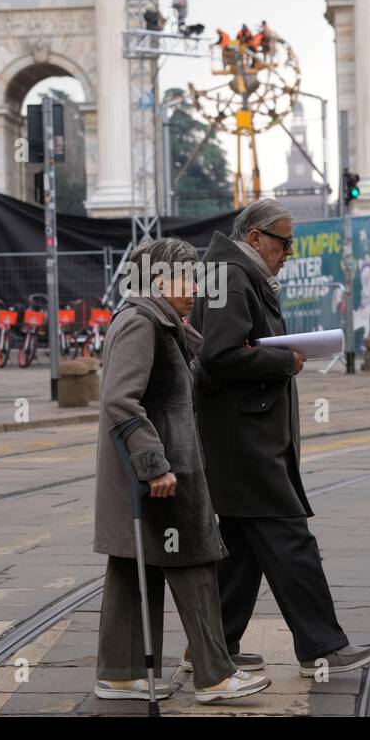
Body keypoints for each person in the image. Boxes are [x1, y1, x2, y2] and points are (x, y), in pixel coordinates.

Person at [191, 200, 370, 677]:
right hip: (245, 440)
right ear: (254, 237)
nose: (289, 252)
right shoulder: (232, 276)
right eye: (283, 241)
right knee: (289, 537)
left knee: (244, 547)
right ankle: (323, 645)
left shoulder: (237, 272)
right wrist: (285, 360)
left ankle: (212, 647)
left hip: (245, 433)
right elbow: (221, 354)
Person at [94, 237, 272, 704]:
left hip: (155, 475)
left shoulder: (155, 321)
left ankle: (120, 672)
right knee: (195, 565)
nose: (196, 286)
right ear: (156, 279)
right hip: (165, 477)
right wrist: (155, 466)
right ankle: (214, 676)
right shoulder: (140, 323)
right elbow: (120, 399)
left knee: (134, 569)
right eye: (186, 276)